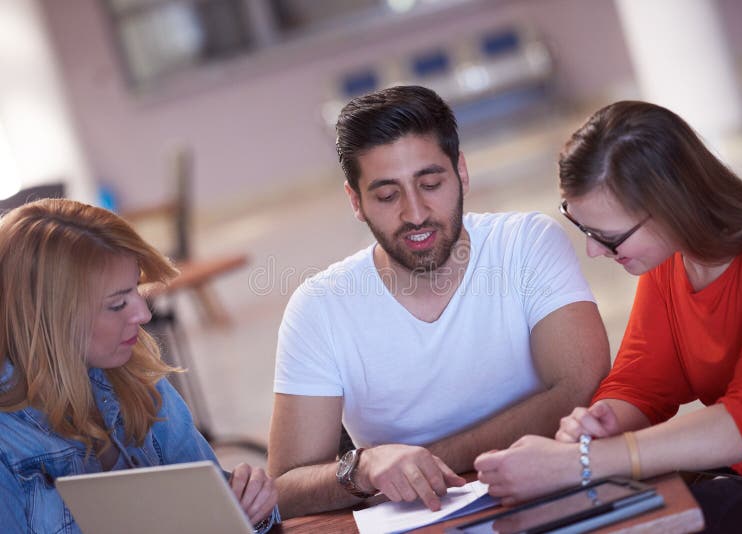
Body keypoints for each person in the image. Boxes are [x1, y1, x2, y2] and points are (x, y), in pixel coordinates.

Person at [267, 85, 610, 518]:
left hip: (550, 503)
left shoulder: (526, 244)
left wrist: (426, 460)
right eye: (388, 195)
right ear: (356, 201)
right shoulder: (319, 308)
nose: (415, 213)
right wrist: (365, 466)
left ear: (462, 173)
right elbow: (284, 488)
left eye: (431, 183)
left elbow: (582, 388)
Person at [474, 101, 742, 532]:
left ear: (671, 204)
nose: (593, 251)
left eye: (608, 237)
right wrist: (601, 421)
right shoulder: (671, 260)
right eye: (584, 230)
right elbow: (641, 382)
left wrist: (581, 463)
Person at [0, 199, 280, 533]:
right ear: (45, 321)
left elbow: (215, 512)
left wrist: (251, 508)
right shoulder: (8, 443)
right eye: (117, 304)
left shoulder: (136, 378)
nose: (144, 315)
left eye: (136, 288)